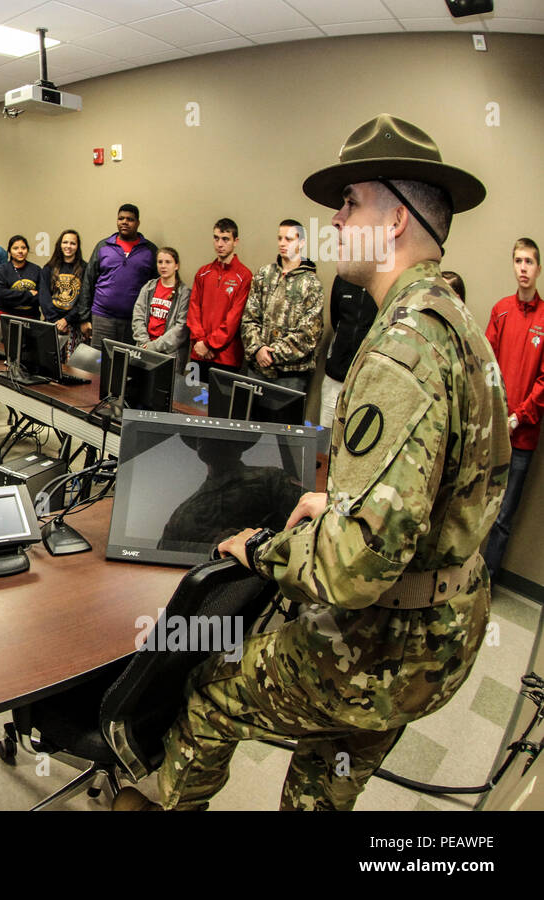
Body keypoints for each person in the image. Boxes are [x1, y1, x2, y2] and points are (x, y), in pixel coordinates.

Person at [135, 114, 509, 812]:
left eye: (349, 204)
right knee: (328, 766)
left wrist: (262, 549)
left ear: (394, 220)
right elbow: (443, 490)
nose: (332, 222)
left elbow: (353, 567)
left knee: (211, 690)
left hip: (388, 647)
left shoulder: (400, 348)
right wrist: (336, 507)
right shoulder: (454, 319)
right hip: (447, 628)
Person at [483, 237, 544, 584]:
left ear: (538, 268)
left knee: (504, 516)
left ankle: (487, 584)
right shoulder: (501, 309)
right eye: (518, 261)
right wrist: (497, 413)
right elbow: (487, 364)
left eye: (529, 262)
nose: (523, 268)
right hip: (493, 429)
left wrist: (517, 416)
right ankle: (463, 577)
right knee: (475, 505)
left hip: (522, 436)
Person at [238, 220, 324, 393]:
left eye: (288, 239)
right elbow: (249, 318)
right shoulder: (264, 274)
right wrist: (258, 349)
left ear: (301, 243)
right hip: (256, 370)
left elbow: (309, 334)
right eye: (280, 238)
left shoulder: (311, 283)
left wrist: (272, 354)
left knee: (283, 420)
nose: (282, 243)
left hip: (290, 377)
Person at [77, 204, 158, 353]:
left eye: (130, 219)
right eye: (121, 218)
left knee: (126, 367)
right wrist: (84, 318)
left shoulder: (150, 250)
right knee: (98, 364)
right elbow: (88, 282)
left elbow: (157, 288)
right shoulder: (103, 246)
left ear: (138, 223)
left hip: (133, 322)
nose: (124, 222)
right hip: (102, 317)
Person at [185, 218, 251, 383]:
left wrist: (209, 344)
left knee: (219, 407)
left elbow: (233, 319)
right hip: (198, 353)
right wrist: (200, 342)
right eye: (216, 238)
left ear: (236, 241)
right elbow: (193, 310)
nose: (220, 244)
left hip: (226, 358)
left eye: (225, 239)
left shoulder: (244, 276)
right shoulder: (203, 273)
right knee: (192, 404)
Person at [319, 274, 377, 428]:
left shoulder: (383, 281)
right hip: (336, 373)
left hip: (365, 379)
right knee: (325, 434)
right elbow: (335, 318)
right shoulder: (343, 278)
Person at [131, 246, 191, 370]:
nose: (163, 266)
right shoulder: (149, 287)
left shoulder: (184, 293)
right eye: (160, 262)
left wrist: (154, 346)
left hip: (169, 354)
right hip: (144, 349)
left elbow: (181, 328)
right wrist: (145, 343)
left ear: (176, 265)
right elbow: (138, 316)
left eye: (168, 262)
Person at [40, 229, 86, 344]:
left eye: (73, 243)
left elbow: (85, 300)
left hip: (73, 324)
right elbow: (44, 297)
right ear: (60, 244)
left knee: (71, 361)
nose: (68, 246)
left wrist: (66, 320)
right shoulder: (49, 267)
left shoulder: (85, 268)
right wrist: (56, 320)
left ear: (77, 246)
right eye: (65, 242)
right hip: (51, 323)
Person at [0, 235, 42, 319]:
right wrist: (29, 294)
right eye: (15, 248)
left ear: (27, 250)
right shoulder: (2, 270)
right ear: (9, 251)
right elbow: (1, 294)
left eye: (23, 248)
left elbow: (41, 295)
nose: (20, 251)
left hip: (32, 317)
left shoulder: (36, 270)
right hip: (7, 316)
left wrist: (13, 296)